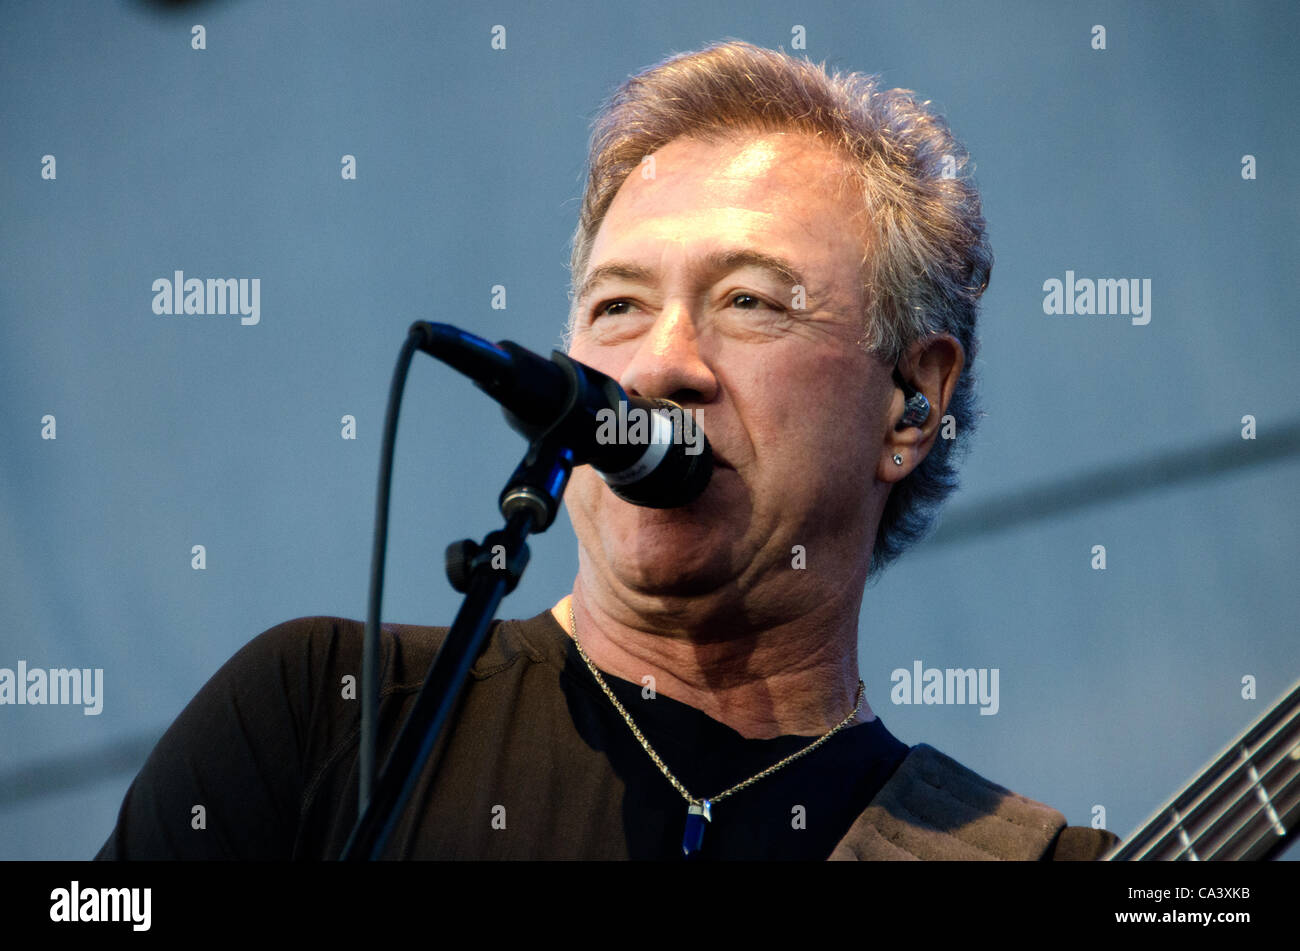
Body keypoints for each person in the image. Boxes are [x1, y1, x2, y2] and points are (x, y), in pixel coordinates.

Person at [96, 39, 1118, 861]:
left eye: (749, 302)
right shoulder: (328, 717)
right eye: (618, 305)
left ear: (909, 403)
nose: (660, 364)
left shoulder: (1022, 855)